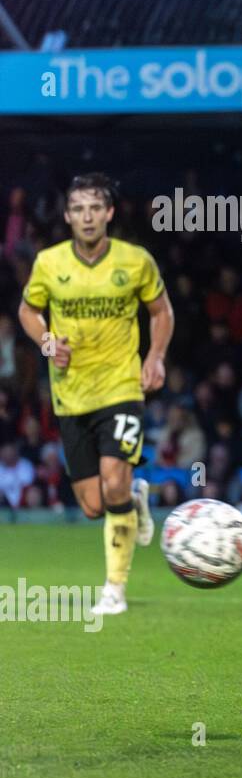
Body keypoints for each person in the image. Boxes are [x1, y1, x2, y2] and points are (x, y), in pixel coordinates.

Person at [16, 173, 173, 617]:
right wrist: (47, 343)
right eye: (78, 209)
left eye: (94, 208)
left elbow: (161, 311)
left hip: (121, 385)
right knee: (92, 505)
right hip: (71, 393)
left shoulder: (135, 261)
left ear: (109, 214)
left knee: (113, 477)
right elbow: (29, 310)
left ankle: (114, 589)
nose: (87, 216)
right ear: (67, 216)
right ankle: (134, 497)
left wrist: (156, 356)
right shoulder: (49, 263)